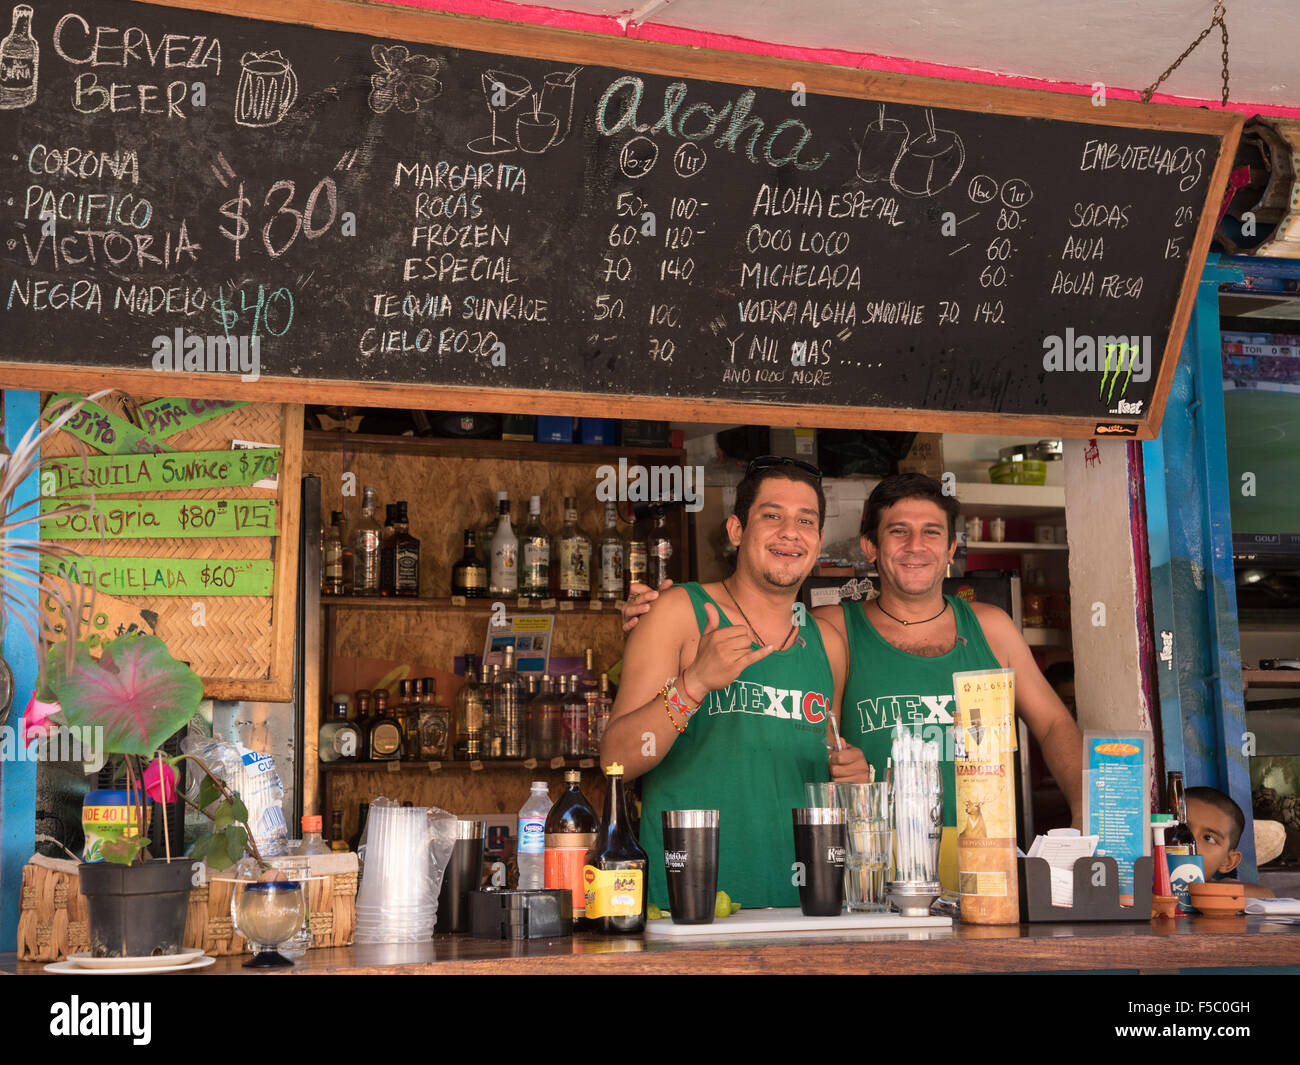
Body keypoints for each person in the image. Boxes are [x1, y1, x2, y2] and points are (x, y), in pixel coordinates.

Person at [626, 472, 1085, 891]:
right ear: (869, 547)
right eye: (898, 531)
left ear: (951, 550)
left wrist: (1086, 810)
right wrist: (663, 615)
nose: (915, 545)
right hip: (878, 876)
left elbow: (1052, 725)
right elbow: (759, 620)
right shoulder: (833, 630)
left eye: (932, 533)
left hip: (983, 864)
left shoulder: (992, 628)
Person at [602, 457, 870, 910]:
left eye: (806, 521)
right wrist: (692, 686)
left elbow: (827, 767)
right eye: (772, 516)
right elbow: (617, 762)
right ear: (736, 531)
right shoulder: (679, 611)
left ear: (819, 541)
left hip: (807, 909)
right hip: (690, 911)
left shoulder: (828, 643)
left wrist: (854, 778)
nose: (790, 532)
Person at [1185, 785, 1274, 898]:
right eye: (1181, 829)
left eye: (1209, 838)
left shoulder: (1218, 891)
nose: (1190, 843)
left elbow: (1267, 895)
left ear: (1227, 861)